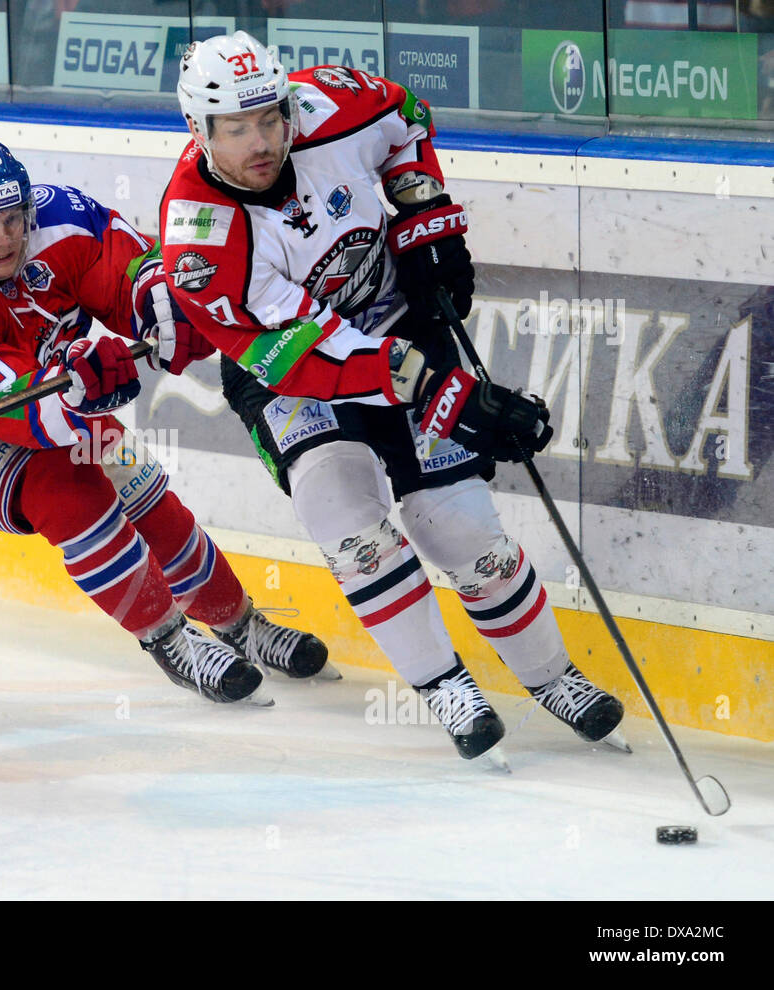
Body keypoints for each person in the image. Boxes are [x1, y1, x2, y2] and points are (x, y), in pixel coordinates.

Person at [157, 32, 626, 760]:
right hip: (287, 368)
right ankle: (446, 688)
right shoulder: (201, 242)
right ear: (199, 129)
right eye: (238, 129)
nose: (263, 142)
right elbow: (310, 356)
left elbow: (408, 120)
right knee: (349, 521)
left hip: (398, 318)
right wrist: (448, 396)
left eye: (272, 119)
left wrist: (424, 223)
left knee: (460, 528)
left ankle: (552, 676)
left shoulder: (331, 103)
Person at [0, 131, 331, 704]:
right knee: (68, 488)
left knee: (134, 477)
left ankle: (239, 623)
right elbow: (11, 411)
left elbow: (124, 265)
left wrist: (161, 306)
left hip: (32, 391)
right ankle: (168, 637)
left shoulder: (58, 218)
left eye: (12, 217)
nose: (4, 238)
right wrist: (76, 387)